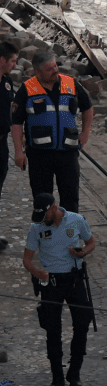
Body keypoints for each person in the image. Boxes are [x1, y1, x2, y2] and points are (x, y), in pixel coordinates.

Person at [23, 192, 95, 386]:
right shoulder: (37, 227)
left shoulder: (77, 220)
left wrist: (83, 252)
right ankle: (57, 377)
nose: (43, 220)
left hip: (74, 279)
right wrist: (36, 272)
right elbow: (27, 259)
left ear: (54, 209)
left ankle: (75, 373)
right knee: (52, 329)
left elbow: (91, 243)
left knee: (82, 324)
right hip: (51, 283)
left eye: (45, 215)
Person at [10, 51, 93, 213]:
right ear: (37, 72)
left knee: (71, 200)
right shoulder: (27, 89)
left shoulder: (70, 84)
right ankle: (46, 236)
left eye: (55, 66)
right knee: (42, 201)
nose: (55, 71)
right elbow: (17, 122)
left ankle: (69, 236)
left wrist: (85, 133)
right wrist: (18, 151)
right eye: (49, 69)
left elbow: (88, 107)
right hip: (39, 156)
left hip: (68, 154)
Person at [0, 41, 19, 251]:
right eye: (13, 61)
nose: (15, 65)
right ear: (3, 60)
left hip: (1, 143)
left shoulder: (7, 81)